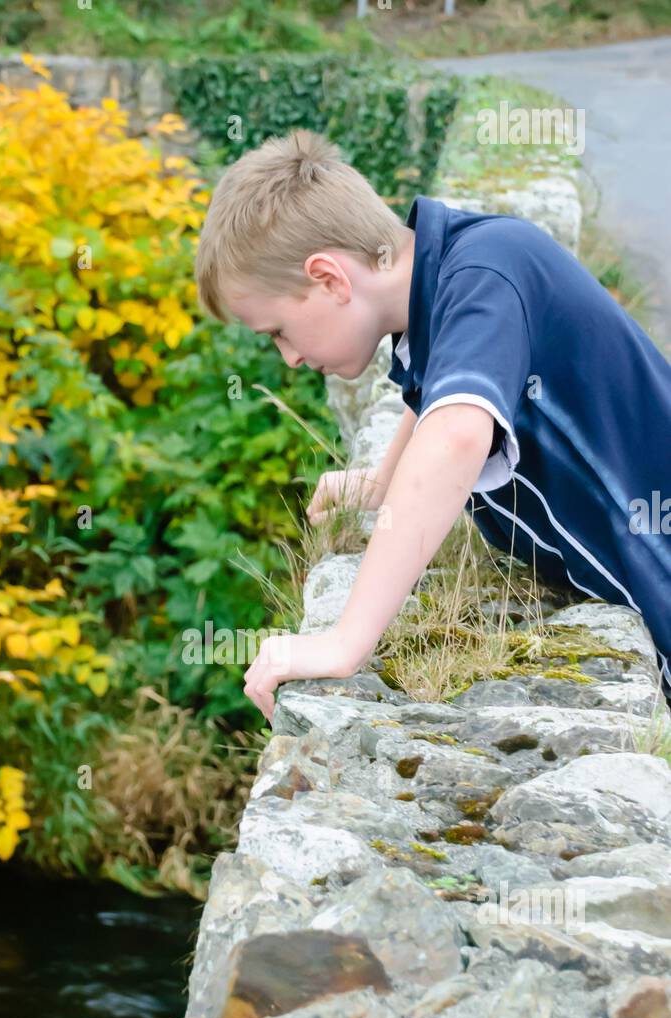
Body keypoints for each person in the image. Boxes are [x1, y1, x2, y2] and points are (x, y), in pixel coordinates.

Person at [193, 127, 671, 722]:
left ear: (330, 278)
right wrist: (383, 484)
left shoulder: (486, 276)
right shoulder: (445, 277)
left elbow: (458, 433)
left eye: (278, 332)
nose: (287, 358)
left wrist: (345, 641)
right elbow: (438, 390)